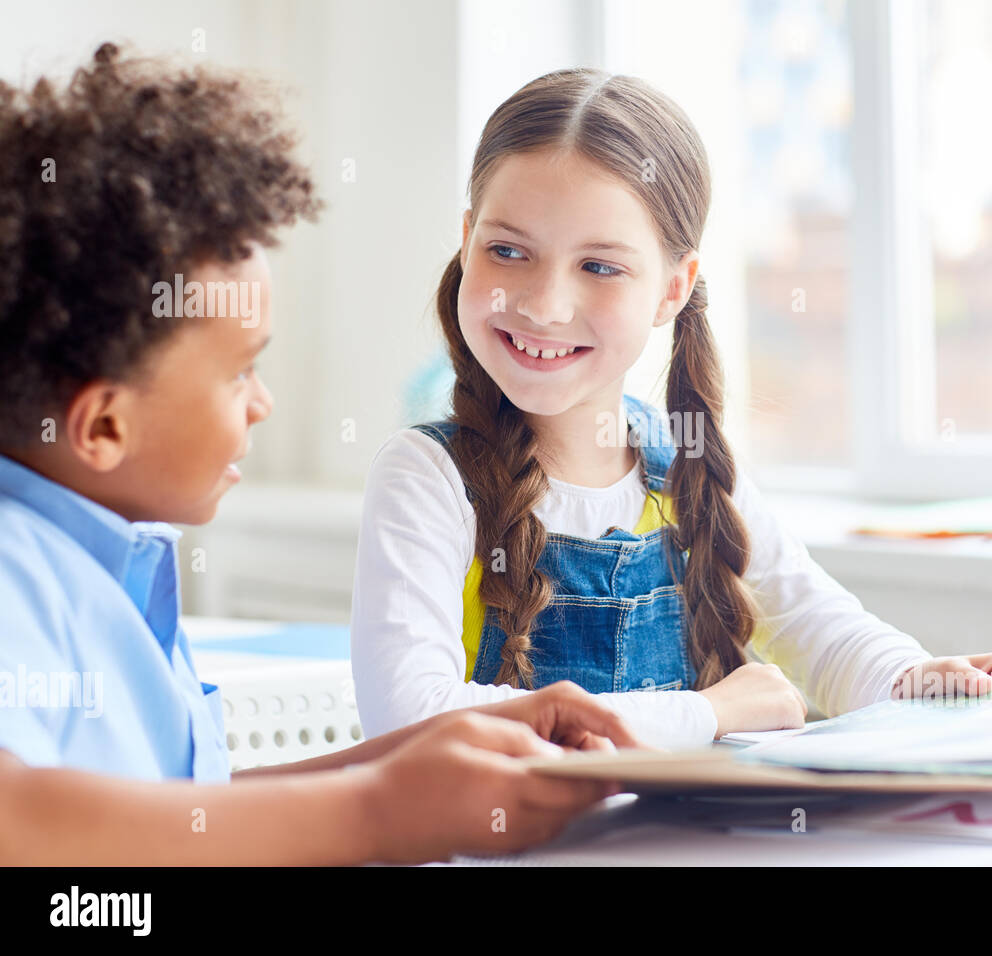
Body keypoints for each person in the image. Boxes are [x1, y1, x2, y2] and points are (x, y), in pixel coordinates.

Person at [0, 43, 634, 866]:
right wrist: (373, 810)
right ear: (104, 427)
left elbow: (180, 820)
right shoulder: (15, 569)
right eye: (240, 372)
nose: (262, 402)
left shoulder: (109, 570)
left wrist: (425, 756)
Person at [350, 69, 992, 751]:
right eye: (507, 251)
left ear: (671, 289)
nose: (545, 304)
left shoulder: (687, 466)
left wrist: (920, 680)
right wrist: (708, 713)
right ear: (467, 242)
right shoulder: (427, 478)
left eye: (599, 266)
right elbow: (413, 718)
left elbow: (815, 624)